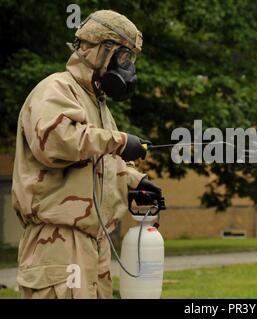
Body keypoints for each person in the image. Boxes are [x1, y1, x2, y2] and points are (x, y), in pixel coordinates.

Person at [12, 10, 160, 299]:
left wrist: (134, 181)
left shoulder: (96, 103)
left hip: (94, 243)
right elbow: (55, 141)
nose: (128, 68)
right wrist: (119, 141)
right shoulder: (55, 89)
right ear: (102, 49)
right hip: (58, 244)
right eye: (124, 57)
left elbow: (98, 160)